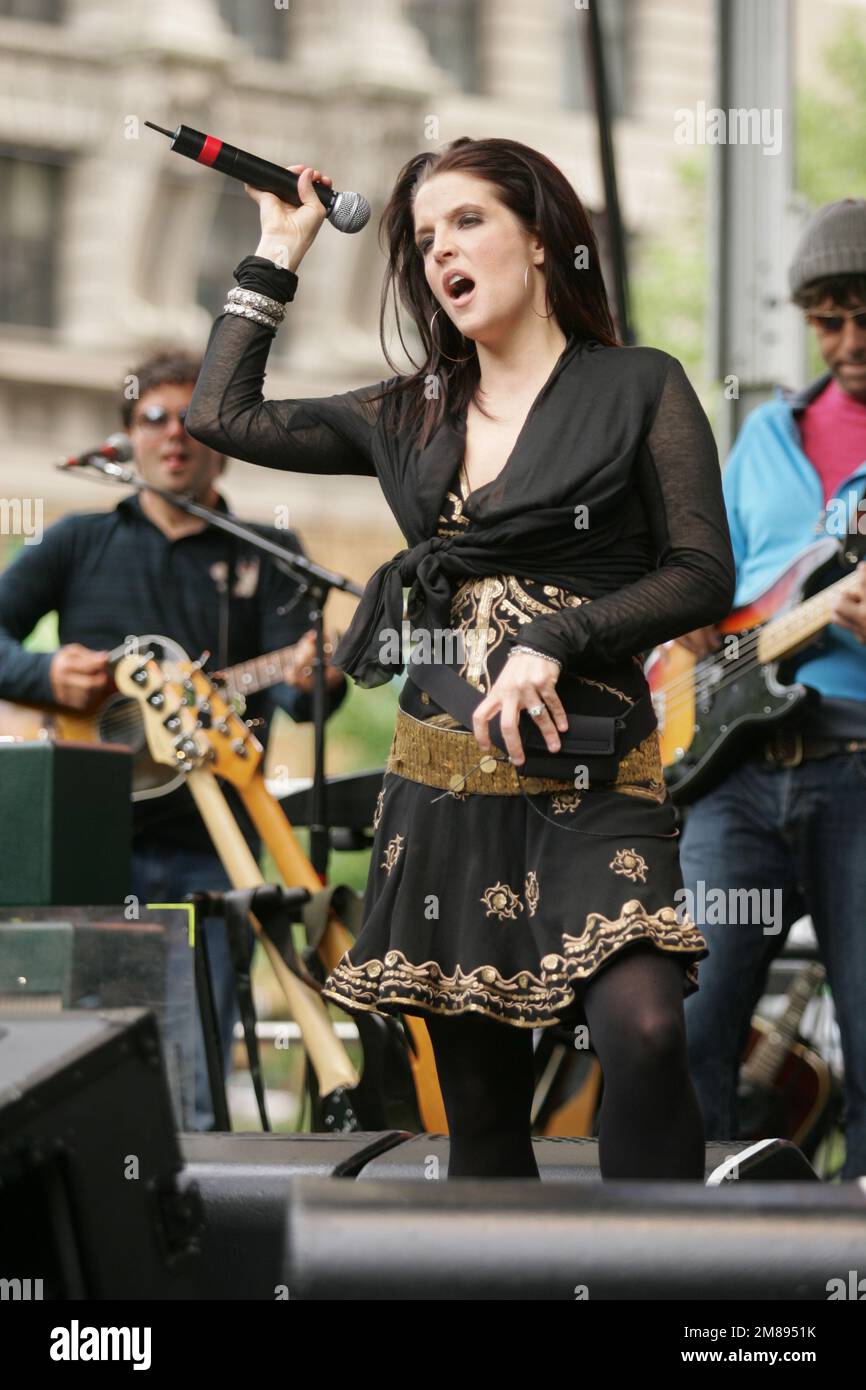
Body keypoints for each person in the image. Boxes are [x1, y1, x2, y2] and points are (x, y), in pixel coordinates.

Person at [185, 137, 736, 1180]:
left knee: (645, 1030)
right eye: (426, 237)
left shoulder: (634, 386)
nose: (442, 250)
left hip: (588, 773)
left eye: (467, 221)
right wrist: (278, 248)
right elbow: (223, 414)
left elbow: (702, 573)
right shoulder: (410, 410)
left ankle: (658, 1280)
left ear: (538, 241)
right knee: (478, 1106)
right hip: (441, 785)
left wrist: (555, 634)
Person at [0, 350, 348, 1128]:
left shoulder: (269, 551)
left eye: (193, 419)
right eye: (154, 418)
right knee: (81, 1067)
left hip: (212, 845)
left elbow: (297, 691)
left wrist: (319, 677)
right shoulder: (75, 542)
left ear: (219, 439)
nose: (174, 436)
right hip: (87, 846)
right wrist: (43, 674)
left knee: (192, 1085)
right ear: (126, 440)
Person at [675, 199, 866, 1181]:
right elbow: (708, 581)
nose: (845, 339)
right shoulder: (764, 436)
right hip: (732, 769)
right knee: (683, 1023)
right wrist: (691, 621)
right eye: (825, 318)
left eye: (863, 312)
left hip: (855, 766)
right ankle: (699, 1253)